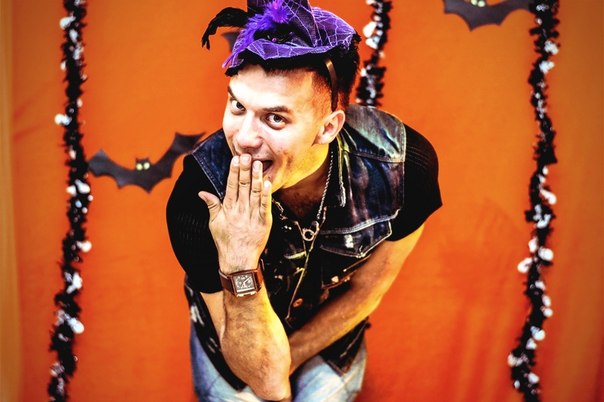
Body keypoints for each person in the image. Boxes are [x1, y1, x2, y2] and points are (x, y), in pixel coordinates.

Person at [166, 1, 442, 400]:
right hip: (232, 351)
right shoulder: (199, 197)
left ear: (328, 127)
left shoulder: (403, 168)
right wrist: (239, 260)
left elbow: (368, 289)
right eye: (238, 106)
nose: (244, 138)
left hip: (328, 342)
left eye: (275, 118)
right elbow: (263, 381)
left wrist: (286, 360)